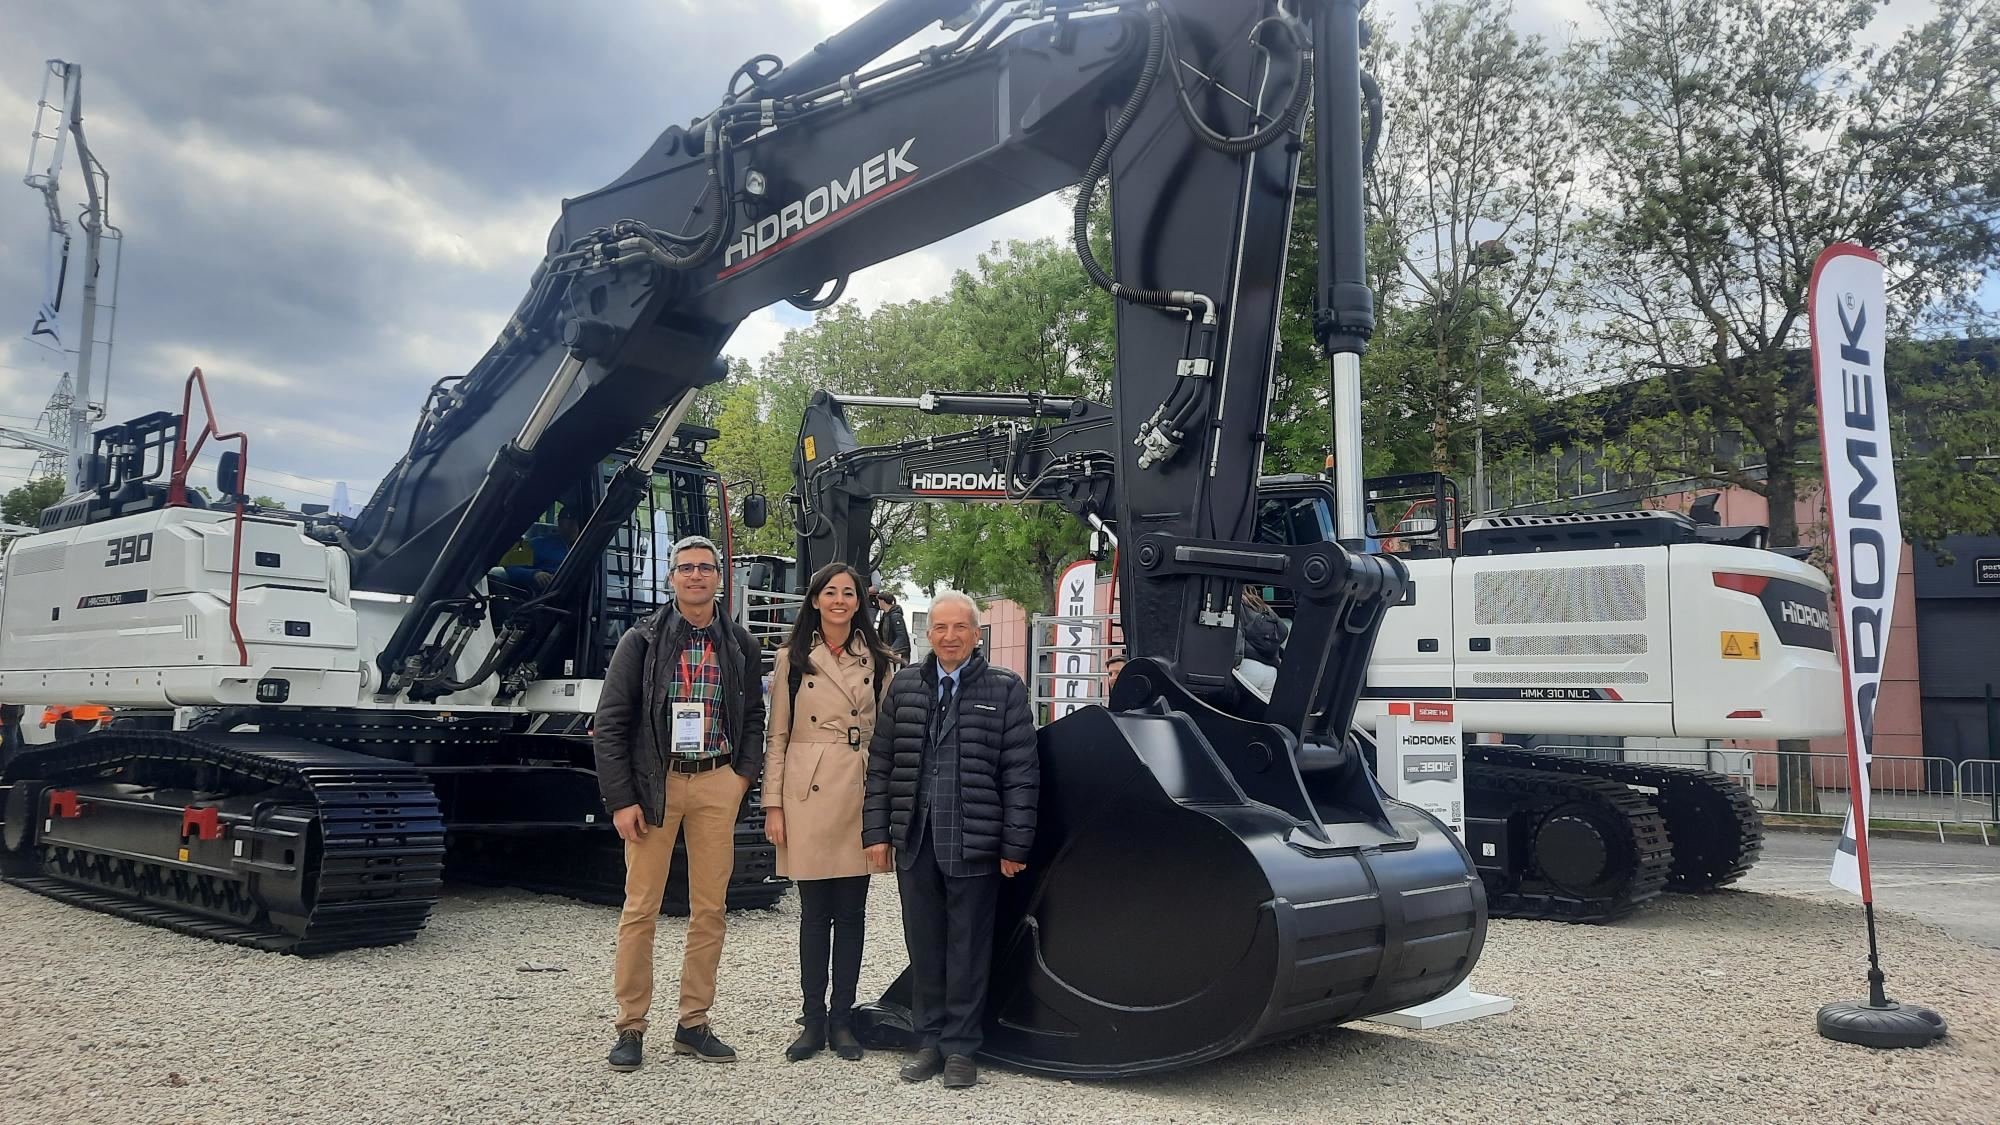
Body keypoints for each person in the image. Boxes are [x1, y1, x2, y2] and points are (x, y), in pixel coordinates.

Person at [594, 534, 766, 1072]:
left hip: (716, 780)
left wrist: (742, 778)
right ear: (672, 578)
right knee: (640, 908)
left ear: (719, 577)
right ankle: (630, 1025)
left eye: (705, 568)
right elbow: (611, 723)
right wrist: (622, 799)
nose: (696, 576)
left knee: (710, 909)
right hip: (656, 784)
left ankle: (694, 1023)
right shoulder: (641, 640)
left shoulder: (739, 643)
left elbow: (754, 718)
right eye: (686, 568)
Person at [863, 591, 1038, 1090]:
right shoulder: (904, 686)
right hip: (916, 840)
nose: (949, 636)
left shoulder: (1005, 689)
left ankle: (961, 1047)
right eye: (940, 627)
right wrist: (876, 832)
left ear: (977, 634)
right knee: (925, 946)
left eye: (960, 627)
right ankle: (929, 1041)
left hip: (974, 841)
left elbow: (1021, 773)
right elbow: (882, 764)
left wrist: (1015, 845)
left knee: (968, 948)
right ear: (928, 634)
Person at [763, 562, 896, 1062]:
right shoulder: (792, 658)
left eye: (849, 593)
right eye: (831, 592)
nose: (840, 601)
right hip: (807, 792)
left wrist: (885, 807)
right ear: (815, 599)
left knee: (853, 912)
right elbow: (777, 735)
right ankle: (813, 1019)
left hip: (859, 788)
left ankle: (843, 1019)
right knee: (815, 914)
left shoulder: (879, 659)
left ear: (860, 601)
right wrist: (773, 805)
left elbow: (889, 740)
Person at [874, 589, 912, 664]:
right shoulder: (885, 616)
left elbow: (901, 636)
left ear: (883, 601)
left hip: (898, 655)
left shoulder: (895, 616)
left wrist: (892, 650)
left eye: (879, 601)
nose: (878, 603)